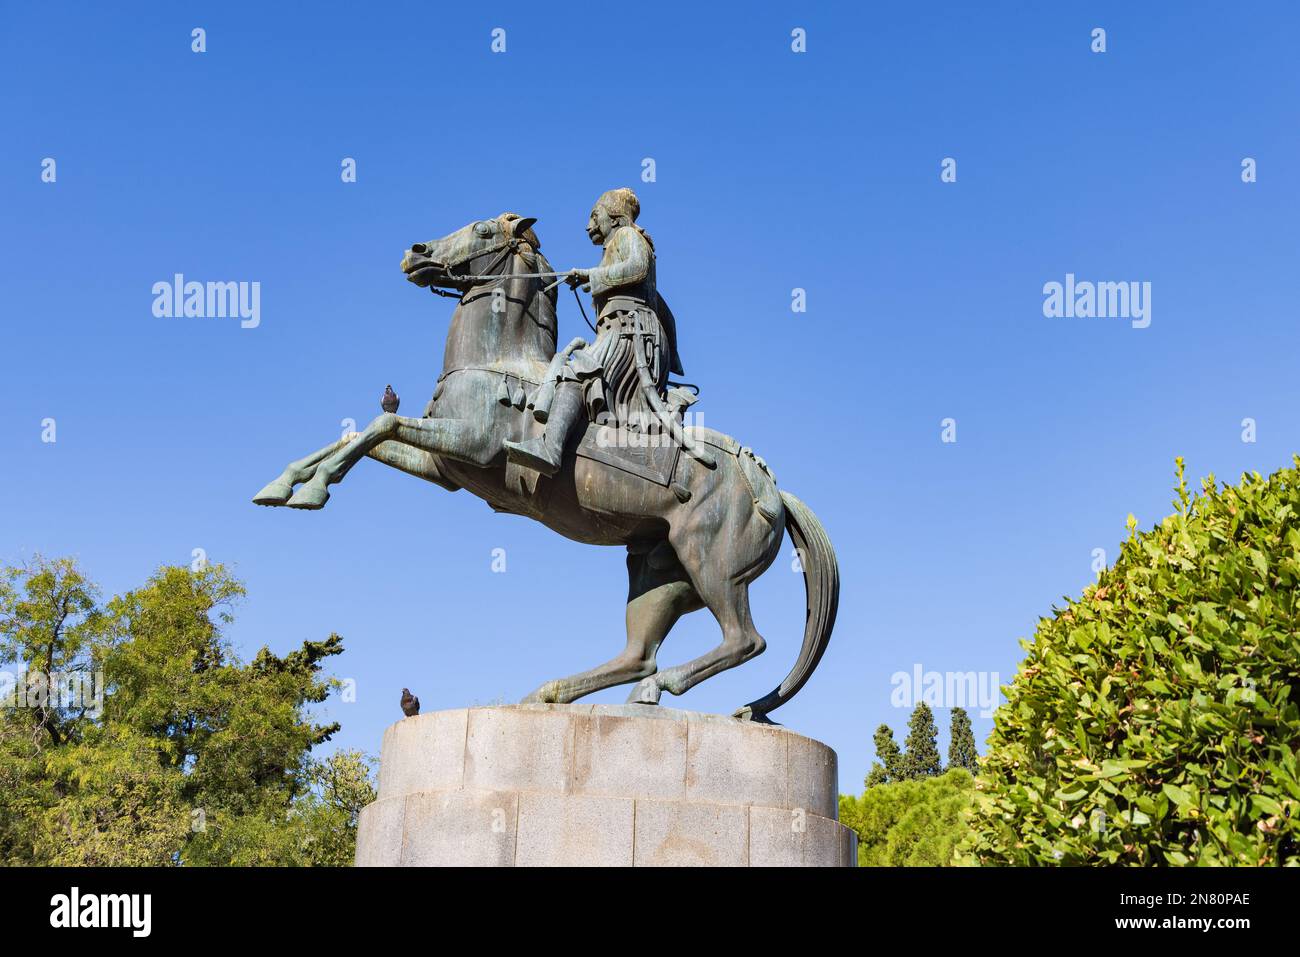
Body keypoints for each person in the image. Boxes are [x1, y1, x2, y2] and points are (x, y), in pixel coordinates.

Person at [505, 187, 683, 476]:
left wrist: (593, 275)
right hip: (628, 328)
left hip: (630, 330)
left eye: (594, 216)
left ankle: (550, 449)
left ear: (613, 217)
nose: (589, 225)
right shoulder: (616, 246)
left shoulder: (628, 236)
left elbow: (637, 268)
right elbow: (665, 310)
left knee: (578, 372)